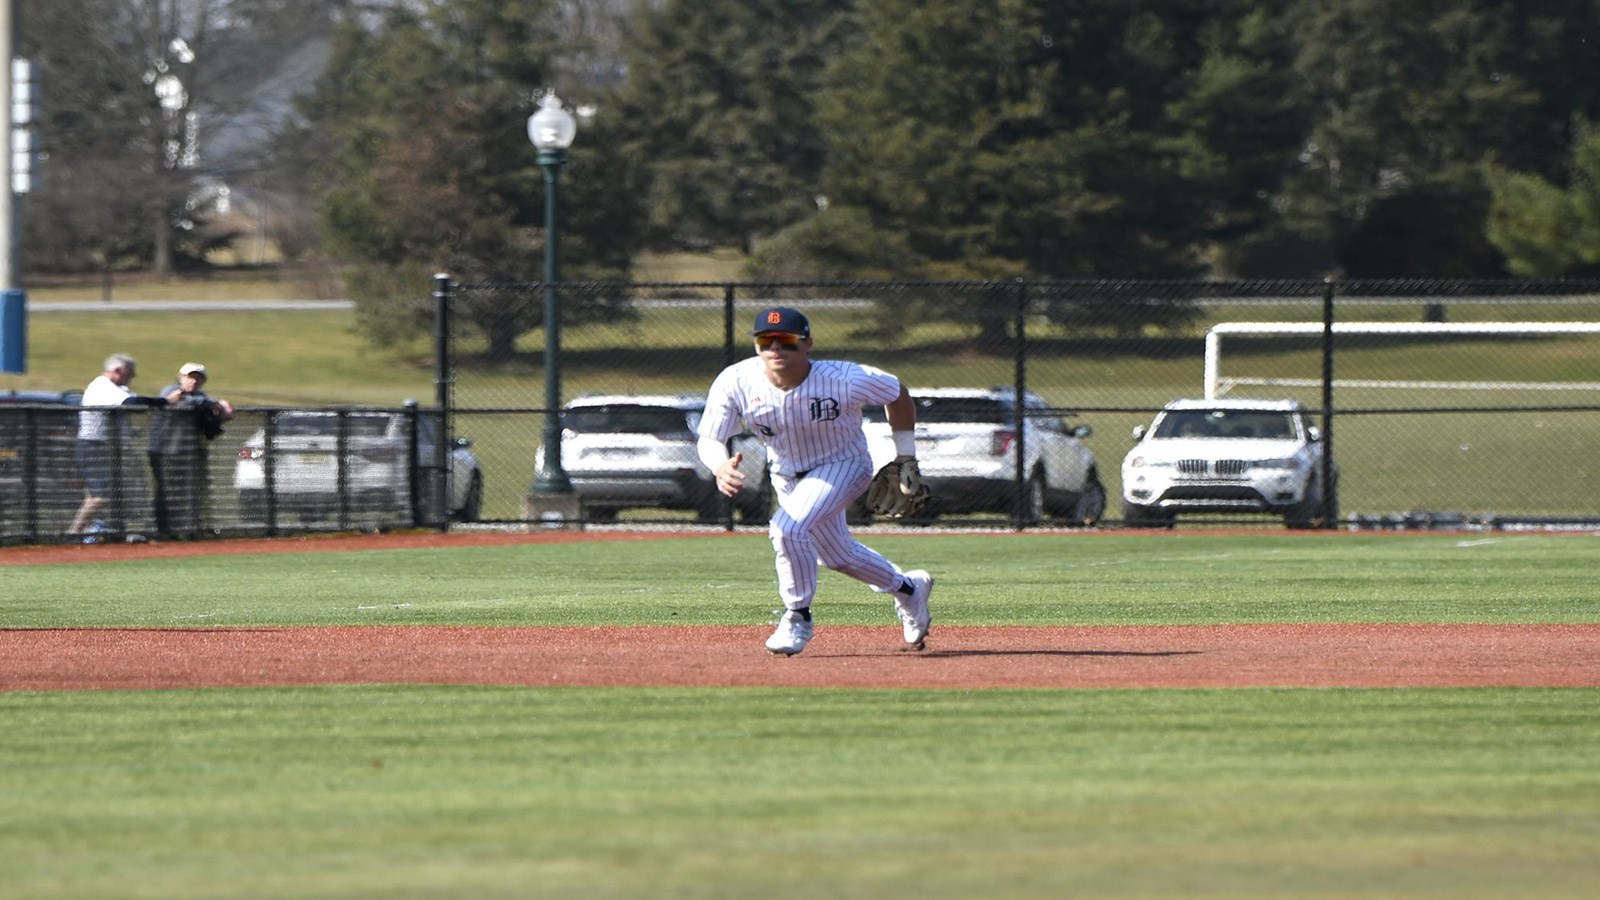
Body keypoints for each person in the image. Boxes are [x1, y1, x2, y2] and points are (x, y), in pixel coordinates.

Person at [696, 306, 934, 656]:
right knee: (839, 557)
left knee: (786, 528)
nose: (775, 348)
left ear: (807, 344)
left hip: (844, 465)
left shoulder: (844, 377)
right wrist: (719, 465)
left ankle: (797, 616)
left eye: (786, 340)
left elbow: (897, 394)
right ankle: (910, 589)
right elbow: (710, 438)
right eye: (766, 341)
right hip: (786, 475)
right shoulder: (736, 380)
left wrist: (906, 456)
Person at [69, 354, 180, 538]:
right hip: (92, 446)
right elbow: (132, 403)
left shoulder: (119, 389)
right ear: (117, 370)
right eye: (130, 371)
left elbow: (139, 403)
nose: (134, 375)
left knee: (97, 495)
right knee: (99, 496)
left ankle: (87, 532)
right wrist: (166, 401)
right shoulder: (102, 386)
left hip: (106, 448)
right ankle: (73, 533)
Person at [147, 362, 235, 540]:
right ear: (180, 377)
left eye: (198, 378)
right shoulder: (171, 390)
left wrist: (221, 412)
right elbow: (184, 402)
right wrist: (216, 404)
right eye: (190, 377)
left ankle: (184, 529)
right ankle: (160, 530)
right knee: (166, 491)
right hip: (165, 452)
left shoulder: (201, 397)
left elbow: (206, 409)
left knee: (186, 492)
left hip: (187, 453)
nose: (194, 381)